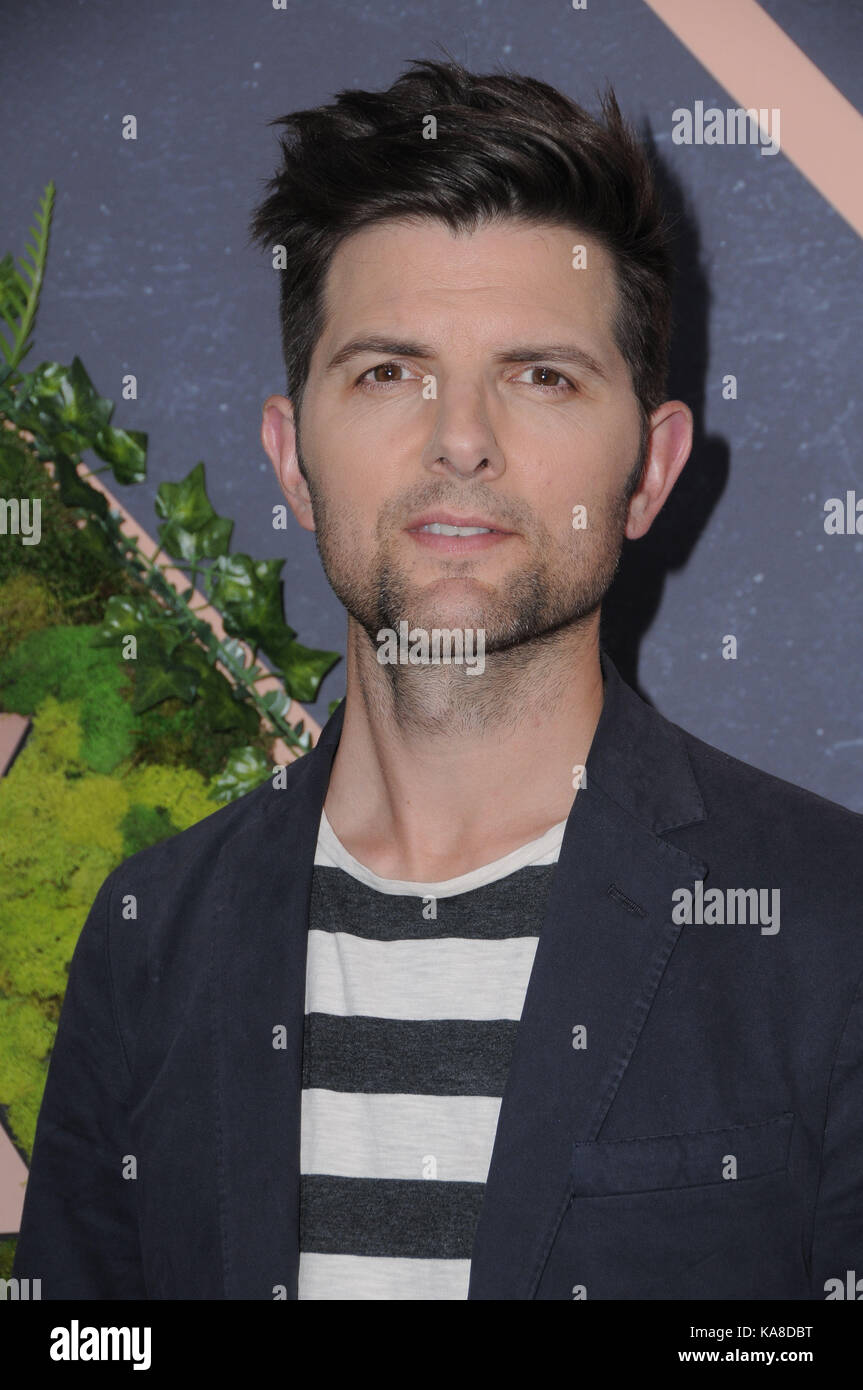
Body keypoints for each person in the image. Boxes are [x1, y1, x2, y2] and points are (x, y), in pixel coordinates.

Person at [14, 56, 863, 1301]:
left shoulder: (830, 930)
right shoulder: (153, 941)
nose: (459, 435)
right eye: (387, 371)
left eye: (540, 375)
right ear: (292, 460)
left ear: (648, 470)